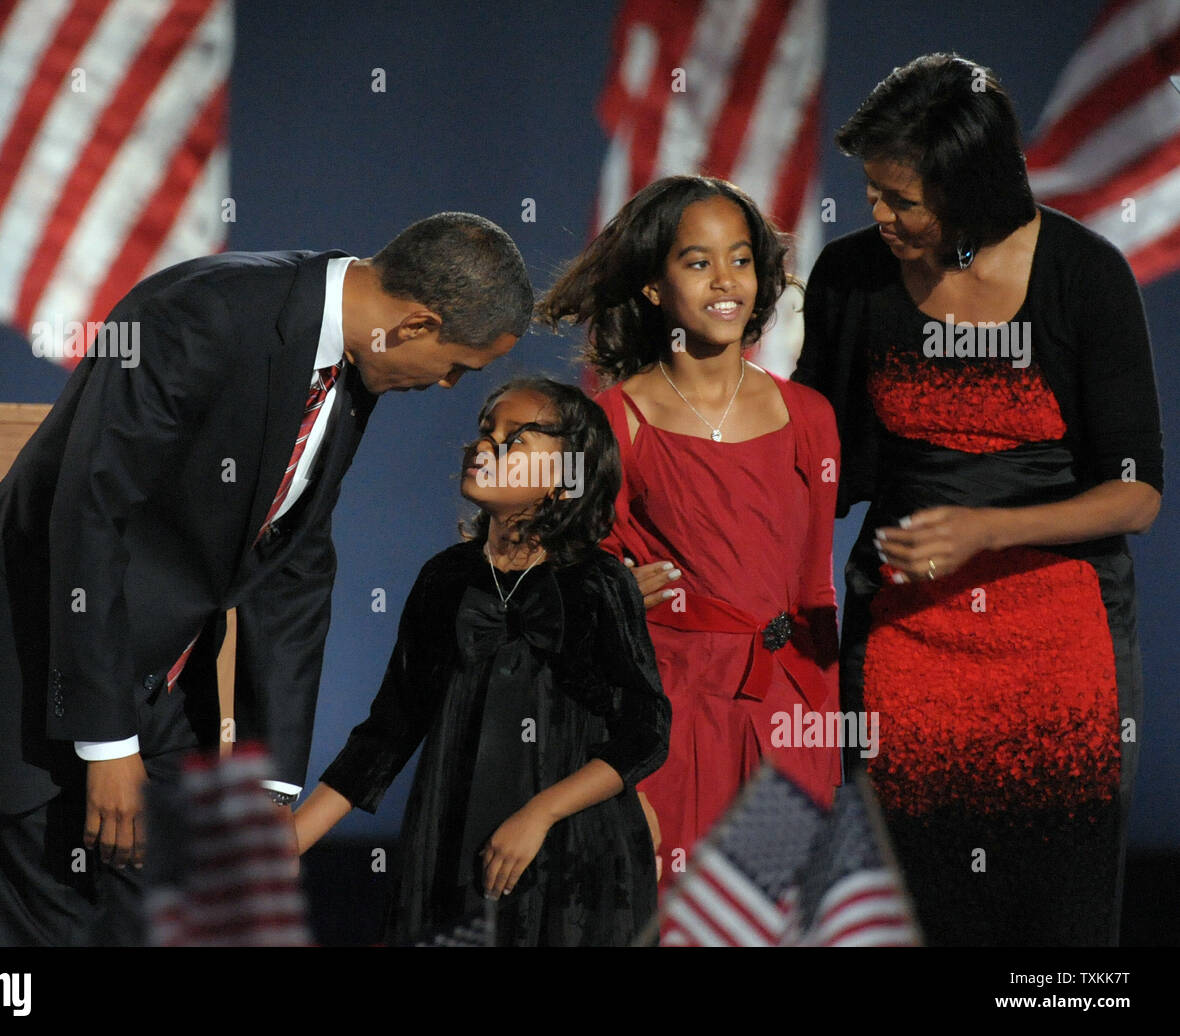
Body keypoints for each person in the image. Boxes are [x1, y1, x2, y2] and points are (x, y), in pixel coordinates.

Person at [0, 212, 533, 946]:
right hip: (29, 675)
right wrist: (107, 743)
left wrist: (269, 789)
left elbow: (294, 565)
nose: (448, 385)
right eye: (457, 366)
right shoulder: (201, 314)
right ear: (417, 323)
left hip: (160, 688)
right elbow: (91, 517)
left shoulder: (350, 367)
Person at [793, 53, 1164, 946]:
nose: (878, 216)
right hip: (905, 644)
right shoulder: (852, 278)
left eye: (902, 200)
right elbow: (809, 459)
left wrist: (988, 530)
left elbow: (1136, 495)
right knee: (911, 904)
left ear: (976, 189)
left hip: (1062, 651)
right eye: (872, 193)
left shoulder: (1086, 275)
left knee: (1060, 914)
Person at [538, 175, 842, 883]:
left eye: (740, 259)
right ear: (652, 285)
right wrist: (607, 589)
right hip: (671, 716)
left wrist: (819, 731)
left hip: (789, 711)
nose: (725, 281)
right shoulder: (614, 422)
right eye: (697, 262)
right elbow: (557, 578)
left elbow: (815, 583)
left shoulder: (811, 417)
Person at [293, 378, 670, 946]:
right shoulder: (445, 577)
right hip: (455, 838)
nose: (484, 448)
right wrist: (289, 841)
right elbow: (389, 731)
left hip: (573, 853)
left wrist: (539, 814)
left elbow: (646, 731)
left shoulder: (598, 583)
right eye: (485, 433)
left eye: (516, 439)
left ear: (567, 481)